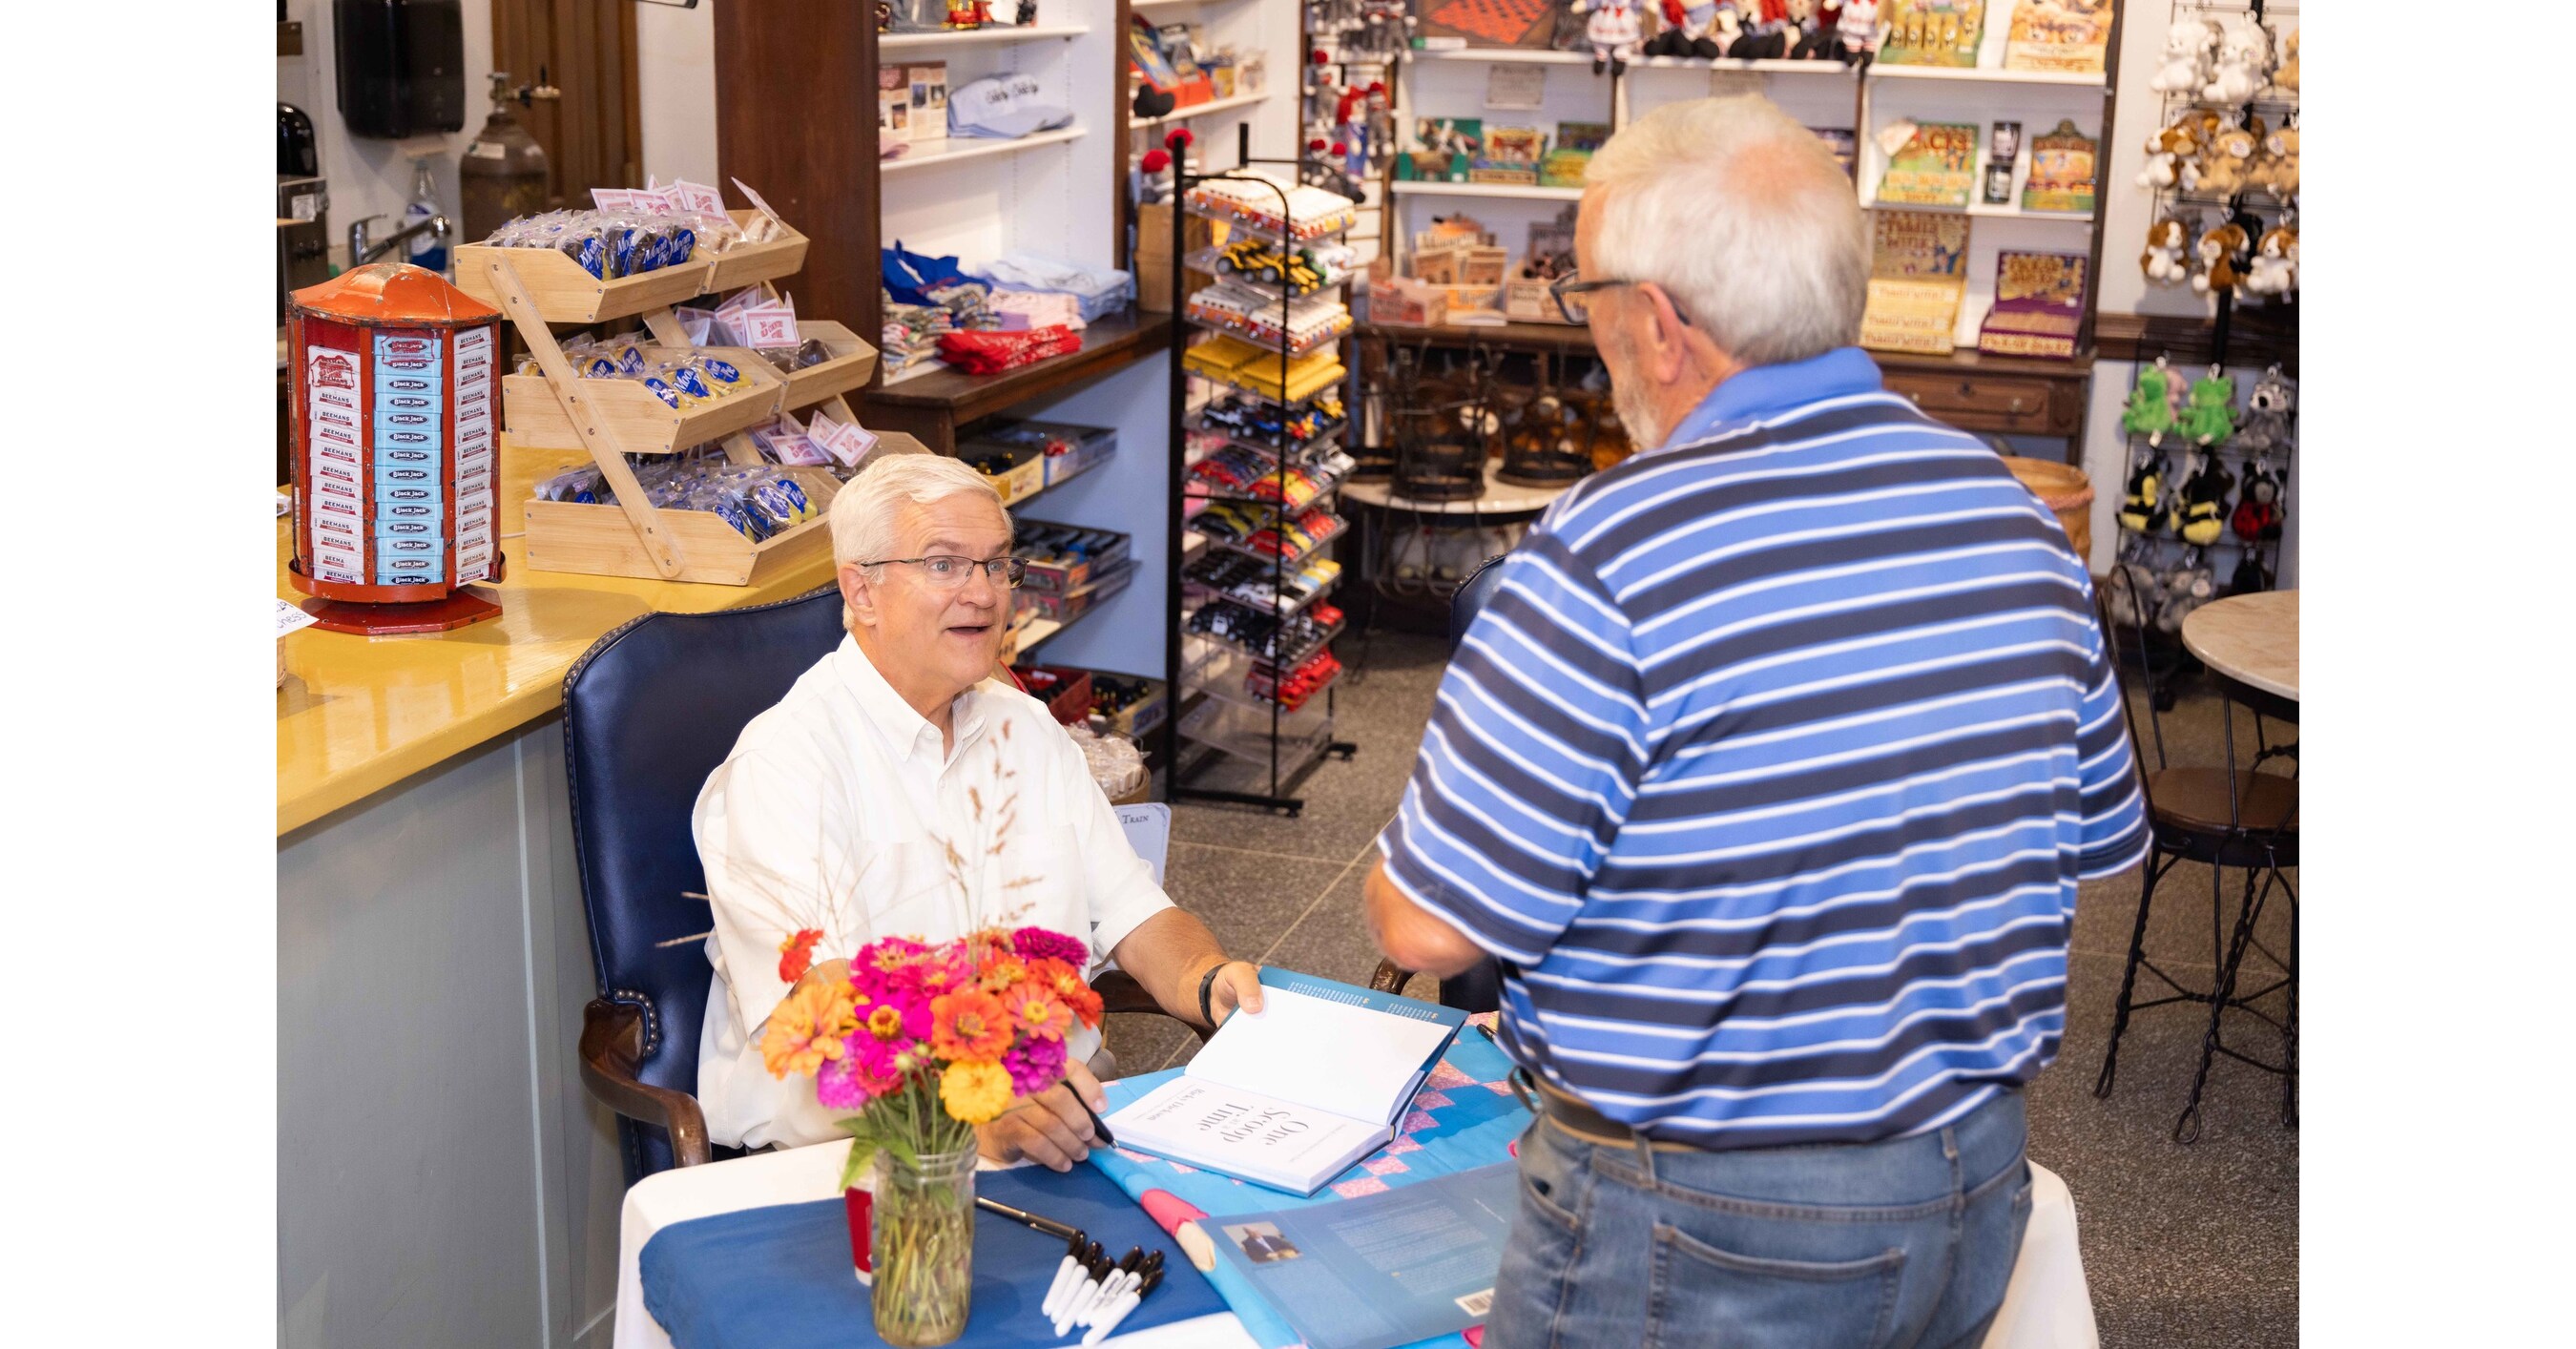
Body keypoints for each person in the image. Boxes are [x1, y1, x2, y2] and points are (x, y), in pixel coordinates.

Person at [1362, 94, 2148, 1349]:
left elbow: (1432, 922)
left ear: (1661, 326)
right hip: (1971, 1183)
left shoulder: (1615, 546)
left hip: (1703, 1219)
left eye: (1590, 301)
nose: (1594, 336)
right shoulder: (2016, 521)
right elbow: (2101, 840)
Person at [693, 452, 1265, 1168]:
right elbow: (829, 1016)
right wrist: (976, 1114)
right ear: (860, 590)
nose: (984, 593)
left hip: (1064, 1125)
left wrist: (1204, 981)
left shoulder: (1024, 729)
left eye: (996, 565)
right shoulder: (784, 766)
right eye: (944, 564)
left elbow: (1135, 911)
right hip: (864, 1158)